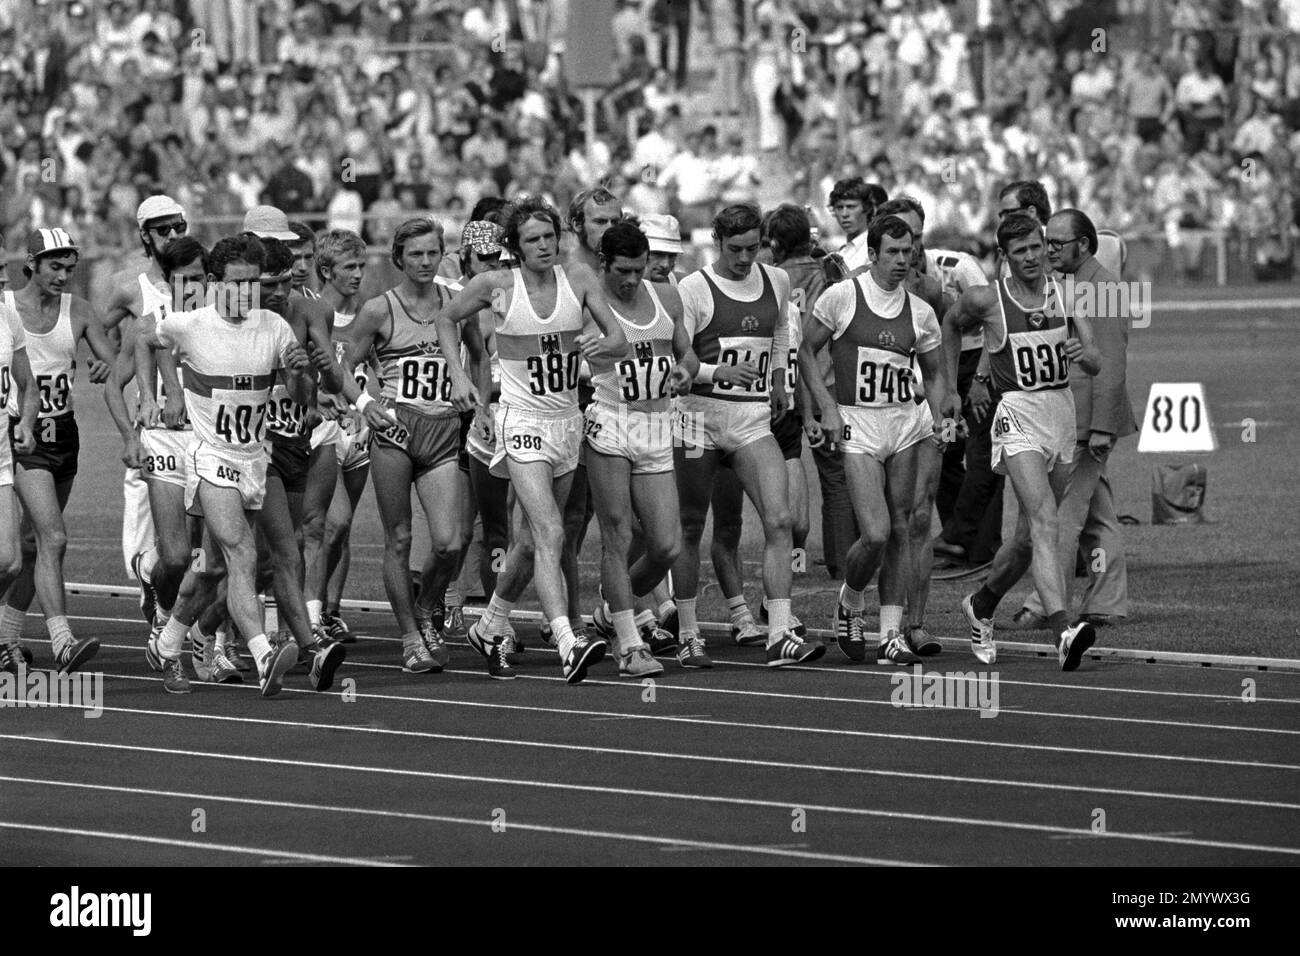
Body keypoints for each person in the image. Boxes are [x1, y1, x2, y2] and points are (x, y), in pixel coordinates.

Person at [435, 196, 628, 683]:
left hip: (567, 422)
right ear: (515, 248)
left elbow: (619, 339)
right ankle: (567, 641)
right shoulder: (496, 285)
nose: (544, 246)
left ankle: (490, 622)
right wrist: (459, 376)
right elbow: (444, 319)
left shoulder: (579, 280)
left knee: (527, 542)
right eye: (532, 240)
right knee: (552, 533)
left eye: (550, 237)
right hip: (520, 422)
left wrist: (599, 344)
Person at [138, 233, 318, 696]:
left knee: (213, 569)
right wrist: (162, 393)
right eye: (236, 283)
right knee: (243, 553)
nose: (246, 293)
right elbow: (142, 338)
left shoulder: (274, 328)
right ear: (215, 282)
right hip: (211, 459)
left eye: (253, 283)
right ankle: (263, 655)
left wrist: (299, 375)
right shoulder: (189, 324)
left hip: (255, 461)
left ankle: (171, 640)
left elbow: (301, 401)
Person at [941, 213, 1103, 672]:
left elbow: (1095, 360)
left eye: (1037, 247)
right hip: (1017, 414)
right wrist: (955, 386)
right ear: (1005, 257)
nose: (1032, 257)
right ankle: (1064, 630)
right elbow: (951, 325)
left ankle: (982, 604)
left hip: (1060, 413)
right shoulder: (987, 300)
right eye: (1020, 252)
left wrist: (1081, 354)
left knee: (1029, 541)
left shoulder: (1068, 294)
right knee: (1044, 520)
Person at [671, 203, 823, 669]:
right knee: (691, 527)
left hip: (751, 418)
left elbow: (780, 331)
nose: (744, 258)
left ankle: (780, 631)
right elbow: (684, 363)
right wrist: (721, 371)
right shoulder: (693, 288)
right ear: (718, 242)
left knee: (779, 520)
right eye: (735, 249)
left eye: (753, 248)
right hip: (698, 416)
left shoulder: (775, 280)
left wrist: (778, 380)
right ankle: (689, 631)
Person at [800, 215, 950, 665]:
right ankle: (849, 599)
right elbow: (806, 349)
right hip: (858, 425)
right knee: (877, 532)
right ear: (872, 255)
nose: (903, 260)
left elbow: (936, 372)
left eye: (909, 253)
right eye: (893, 252)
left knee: (901, 528)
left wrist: (942, 413)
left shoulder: (920, 312)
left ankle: (890, 634)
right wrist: (825, 405)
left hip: (903, 424)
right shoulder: (843, 297)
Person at [340, 218, 478, 673]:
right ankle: (410, 638)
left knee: (450, 542)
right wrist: (364, 402)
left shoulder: (458, 304)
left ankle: (427, 607)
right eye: (415, 254)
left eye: (432, 253)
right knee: (399, 540)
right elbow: (343, 364)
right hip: (396, 432)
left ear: (443, 255)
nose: (424, 262)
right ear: (399, 258)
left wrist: (480, 405)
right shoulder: (380, 309)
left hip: (442, 431)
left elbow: (479, 355)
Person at [1008, 209, 1136, 629]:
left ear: (1083, 245)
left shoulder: (1103, 289)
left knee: (1061, 515)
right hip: (1072, 419)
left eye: (1057, 244)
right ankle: (1107, 602)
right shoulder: (1071, 285)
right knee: (1097, 514)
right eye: (1047, 242)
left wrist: (1101, 426)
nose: (1048, 251)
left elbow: (1112, 363)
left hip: (1088, 423)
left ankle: (1045, 605)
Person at [584, 222, 697, 676]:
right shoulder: (591, 304)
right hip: (611, 420)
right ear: (604, 265)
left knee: (666, 544)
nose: (632, 279)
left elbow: (687, 352)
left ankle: (613, 610)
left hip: (655, 426)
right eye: (623, 271)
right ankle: (630, 645)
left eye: (639, 269)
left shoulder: (666, 297)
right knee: (617, 536)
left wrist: (687, 371)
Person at [0, 228, 115, 675]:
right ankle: (63, 641)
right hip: (22, 437)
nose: (63, 276)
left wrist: (107, 363)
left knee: (31, 546)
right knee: (54, 536)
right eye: (54, 266)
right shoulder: (7, 310)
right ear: (31, 263)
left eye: (70, 268)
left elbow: (114, 359)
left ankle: (8, 639)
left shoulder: (79, 310)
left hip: (64, 435)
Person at [100, 195, 188, 602]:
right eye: (163, 229)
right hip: (151, 419)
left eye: (179, 227)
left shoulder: (200, 282)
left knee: (189, 536)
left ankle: (165, 598)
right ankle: (149, 596)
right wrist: (107, 358)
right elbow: (94, 328)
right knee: (144, 518)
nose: (172, 235)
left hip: (198, 418)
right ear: (144, 236)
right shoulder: (128, 285)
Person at [0, 291, 41, 673]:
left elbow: (28, 384)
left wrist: (26, 423)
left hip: (1, 459)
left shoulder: (7, 318)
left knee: (10, 563)